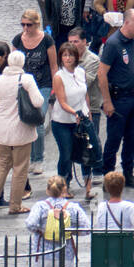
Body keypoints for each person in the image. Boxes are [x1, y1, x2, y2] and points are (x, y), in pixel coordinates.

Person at [0, 49, 45, 214]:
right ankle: (15, 205)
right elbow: (38, 101)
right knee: (20, 168)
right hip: (22, 130)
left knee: (2, 164)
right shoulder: (26, 79)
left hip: (2, 129)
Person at [98, 9, 134, 188]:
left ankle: (128, 173)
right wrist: (107, 101)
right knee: (114, 139)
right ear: (126, 23)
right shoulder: (113, 44)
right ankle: (108, 176)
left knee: (132, 138)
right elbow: (102, 74)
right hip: (118, 99)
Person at [50, 42, 102, 195]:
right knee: (66, 154)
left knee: (88, 152)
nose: (68, 58)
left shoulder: (80, 72)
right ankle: (63, 187)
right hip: (62, 122)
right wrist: (75, 113)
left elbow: (85, 93)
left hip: (82, 118)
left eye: (70, 55)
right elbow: (62, 101)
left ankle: (88, 188)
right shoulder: (59, 77)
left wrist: (88, 112)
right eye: (65, 55)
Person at [11, 9, 57, 172]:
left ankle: (38, 159)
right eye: (22, 24)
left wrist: (55, 87)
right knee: (24, 121)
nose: (25, 28)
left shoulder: (47, 40)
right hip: (24, 85)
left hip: (43, 84)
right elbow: (14, 64)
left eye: (28, 25)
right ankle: (29, 157)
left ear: (36, 24)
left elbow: (53, 65)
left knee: (38, 119)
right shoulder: (18, 40)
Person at [68, 28, 103, 142]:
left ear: (84, 42)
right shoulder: (66, 58)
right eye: (70, 42)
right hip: (70, 109)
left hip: (90, 109)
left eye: (76, 42)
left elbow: (84, 84)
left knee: (92, 145)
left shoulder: (93, 60)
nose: (72, 45)